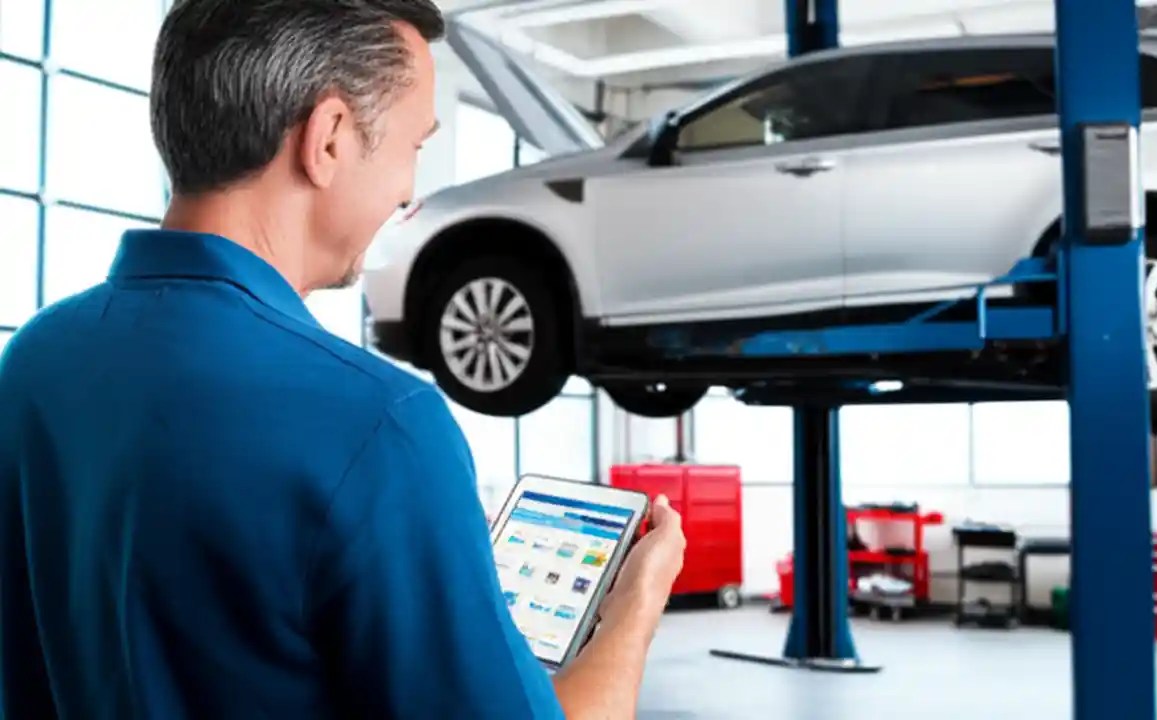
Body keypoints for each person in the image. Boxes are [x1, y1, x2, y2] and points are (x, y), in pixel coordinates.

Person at [0, 1, 685, 718]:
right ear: (327, 138)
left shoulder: (38, 361)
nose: (409, 191)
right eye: (413, 146)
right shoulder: (380, 423)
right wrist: (632, 609)